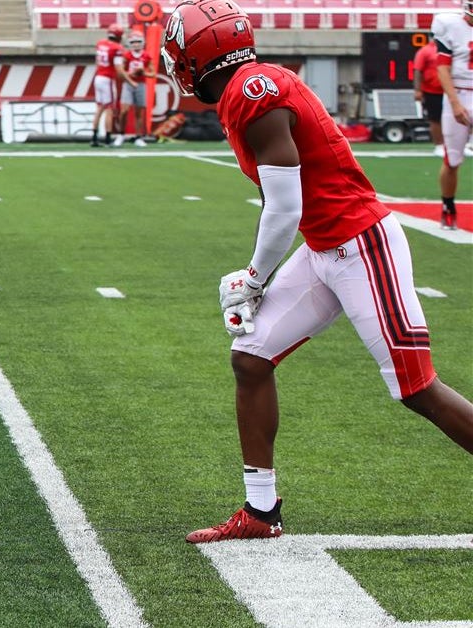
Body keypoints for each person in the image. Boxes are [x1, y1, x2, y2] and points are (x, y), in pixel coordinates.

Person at [160, 0, 473, 544]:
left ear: (198, 58)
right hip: (325, 247)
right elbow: (285, 206)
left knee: (417, 388)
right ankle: (261, 511)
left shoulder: (253, 92)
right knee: (251, 357)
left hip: (361, 244)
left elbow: (286, 208)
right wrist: (257, 276)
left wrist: (253, 278)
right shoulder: (249, 87)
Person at [431, 2, 472, 230]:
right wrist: (455, 103)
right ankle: (448, 207)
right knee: (453, 159)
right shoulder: (450, 25)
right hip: (459, 94)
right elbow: (442, 68)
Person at [114, 30, 155, 147]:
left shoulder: (146, 56)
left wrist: (143, 72)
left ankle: (138, 137)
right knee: (124, 111)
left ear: (142, 42)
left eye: (138, 41)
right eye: (133, 42)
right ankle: (121, 134)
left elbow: (152, 73)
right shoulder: (126, 55)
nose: (136, 44)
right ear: (130, 43)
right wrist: (131, 74)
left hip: (141, 84)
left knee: (139, 112)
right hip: (128, 84)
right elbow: (120, 73)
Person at [91, 24, 126, 148]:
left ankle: (94, 137)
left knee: (100, 108)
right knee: (109, 109)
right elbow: (119, 69)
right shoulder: (117, 47)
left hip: (98, 76)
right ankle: (107, 138)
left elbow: (97, 61)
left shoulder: (101, 43)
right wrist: (130, 81)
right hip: (107, 79)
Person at [413, 36, 445, 158]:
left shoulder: (450, 49)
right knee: (435, 118)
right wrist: (417, 90)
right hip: (432, 91)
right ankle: (439, 145)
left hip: (450, 91)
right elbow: (417, 70)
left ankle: (459, 145)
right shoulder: (425, 51)